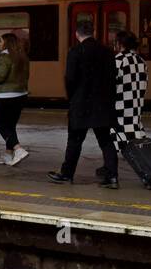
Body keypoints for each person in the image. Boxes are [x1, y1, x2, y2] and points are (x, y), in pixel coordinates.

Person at [49, 19, 118, 187]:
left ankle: (67, 175)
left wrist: (72, 99)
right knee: (106, 141)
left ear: (76, 33)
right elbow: (112, 79)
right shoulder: (108, 52)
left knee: (74, 141)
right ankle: (112, 177)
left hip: (81, 104)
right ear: (93, 32)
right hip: (102, 104)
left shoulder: (75, 51)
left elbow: (70, 79)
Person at [0, 32, 30, 165]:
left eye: (0, 41)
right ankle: (8, 155)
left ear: (6, 43)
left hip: (3, 97)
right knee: (10, 126)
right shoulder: (22, 57)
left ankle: (18, 149)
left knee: (2, 126)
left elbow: (0, 76)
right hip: (20, 95)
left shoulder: (4, 57)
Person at [105, 29, 147, 175]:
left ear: (119, 44)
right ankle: (146, 167)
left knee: (113, 139)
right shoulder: (141, 60)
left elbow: (111, 84)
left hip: (120, 107)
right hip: (136, 106)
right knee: (135, 135)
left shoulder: (119, 61)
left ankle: (110, 169)